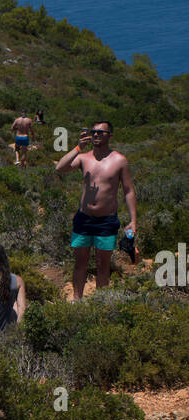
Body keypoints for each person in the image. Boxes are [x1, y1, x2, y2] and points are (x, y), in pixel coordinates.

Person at [55, 121, 138, 299]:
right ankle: (77, 301)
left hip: (106, 221)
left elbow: (128, 191)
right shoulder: (84, 158)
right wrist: (78, 147)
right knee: (80, 262)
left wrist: (133, 220)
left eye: (101, 132)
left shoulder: (119, 160)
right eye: (94, 132)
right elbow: (60, 168)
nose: (96, 135)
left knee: (103, 264)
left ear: (110, 135)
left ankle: (100, 303)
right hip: (84, 218)